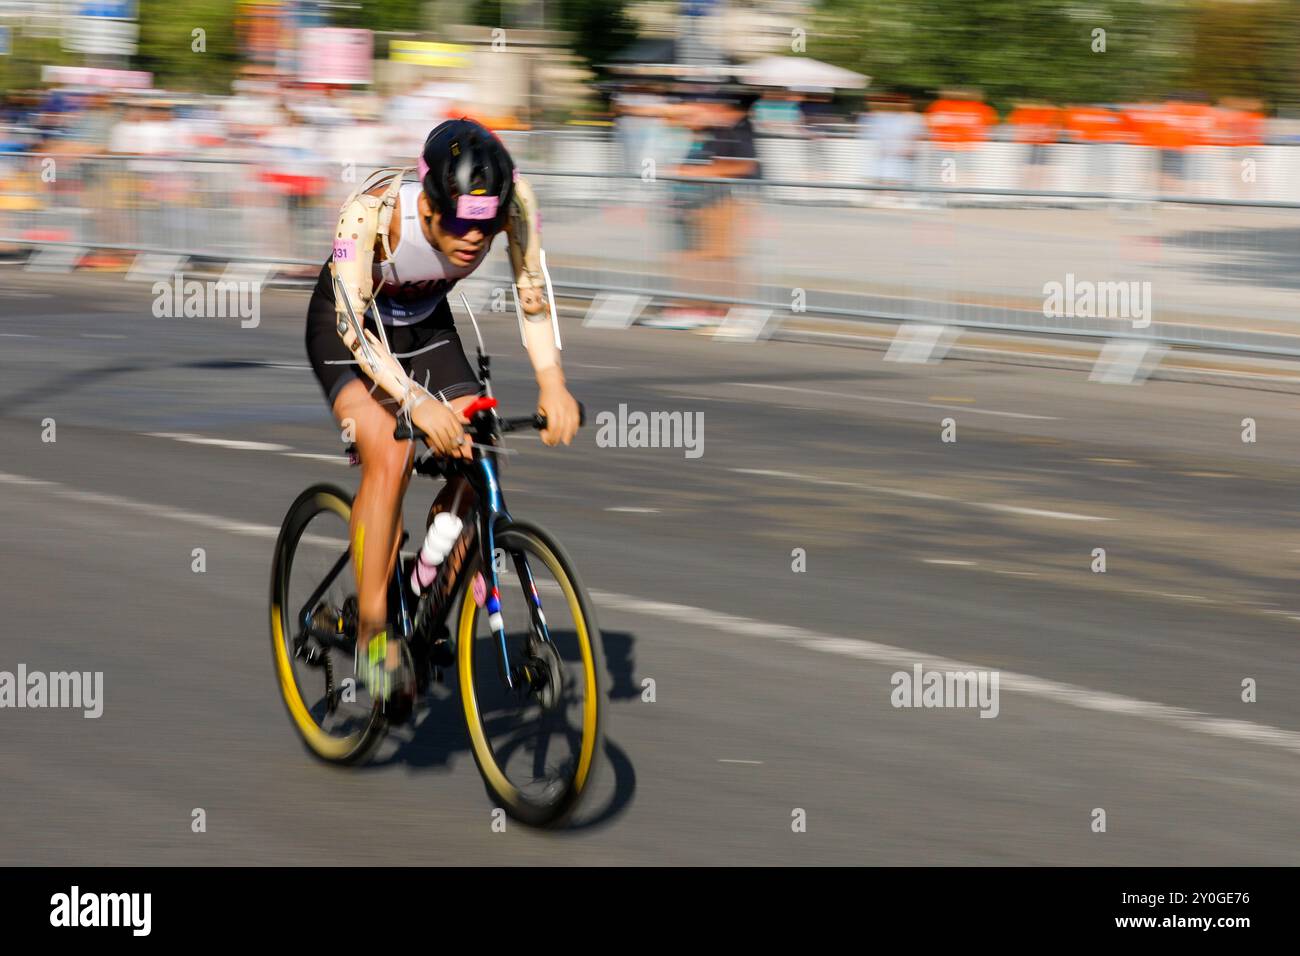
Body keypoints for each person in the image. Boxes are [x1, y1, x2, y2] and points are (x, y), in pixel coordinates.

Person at [304, 117, 581, 706]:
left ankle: (422, 586)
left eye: (484, 231)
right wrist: (413, 402)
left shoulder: (512, 200)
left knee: (478, 454)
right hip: (351, 328)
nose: (473, 242)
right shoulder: (368, 213)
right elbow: (352, 328)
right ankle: (377, 636)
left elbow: (533, 294)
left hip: (425, 326)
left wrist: (552, 383)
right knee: (393, 447)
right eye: (456, 226)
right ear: (427, 207)